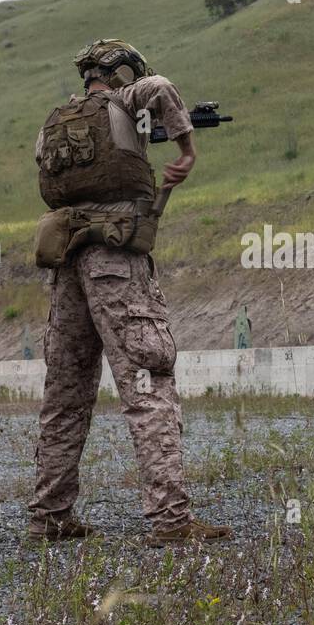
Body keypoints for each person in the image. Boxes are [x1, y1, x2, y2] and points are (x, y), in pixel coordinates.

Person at [29, 39, 231, 546]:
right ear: (121, 72)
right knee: (148, 381)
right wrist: (185, 148)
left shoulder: (55, 121)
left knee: (65, 394)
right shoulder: (125, 99)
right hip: (116, 261)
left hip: (68, 264)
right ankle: (171, 519)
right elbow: (160, 88)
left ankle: (50, 516)